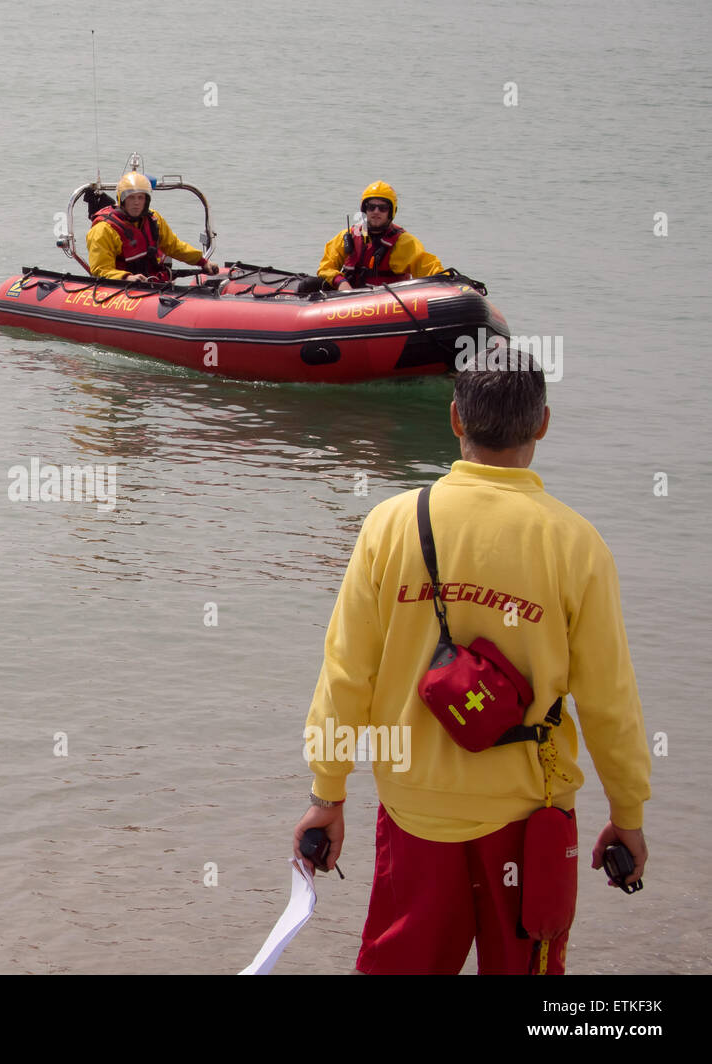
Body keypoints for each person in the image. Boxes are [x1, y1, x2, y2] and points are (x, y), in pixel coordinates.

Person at [292, 358, 650, 975]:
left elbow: (347, 673)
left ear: (455, 417)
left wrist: (328, 792)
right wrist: (628, 814)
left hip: (413, 808)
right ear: (542, 425)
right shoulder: (575, 543)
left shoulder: (390, 524)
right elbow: (608, 700)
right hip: (528, 811)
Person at [86, 171, 219, 283]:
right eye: (131, 198)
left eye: (140, 197)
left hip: (154, 284)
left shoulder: (154, 219)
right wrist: (127, 278)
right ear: (122, 199)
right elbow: (100, 270)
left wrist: (202, 262)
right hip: (123, 289)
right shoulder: (104, 230)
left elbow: (174, 246)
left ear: (146, 200)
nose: (136, 203)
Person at [318, 181, 444, 290]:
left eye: (382, 208)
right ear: (364, 210)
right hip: (349, 303)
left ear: (391, 212)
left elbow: (429, 268)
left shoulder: (404, 242)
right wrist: (340, 282)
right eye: (371, 207)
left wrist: (448, 281)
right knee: (308, 284)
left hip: (389, 306)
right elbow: (325, 268)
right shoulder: (348, 236)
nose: (376, 212)